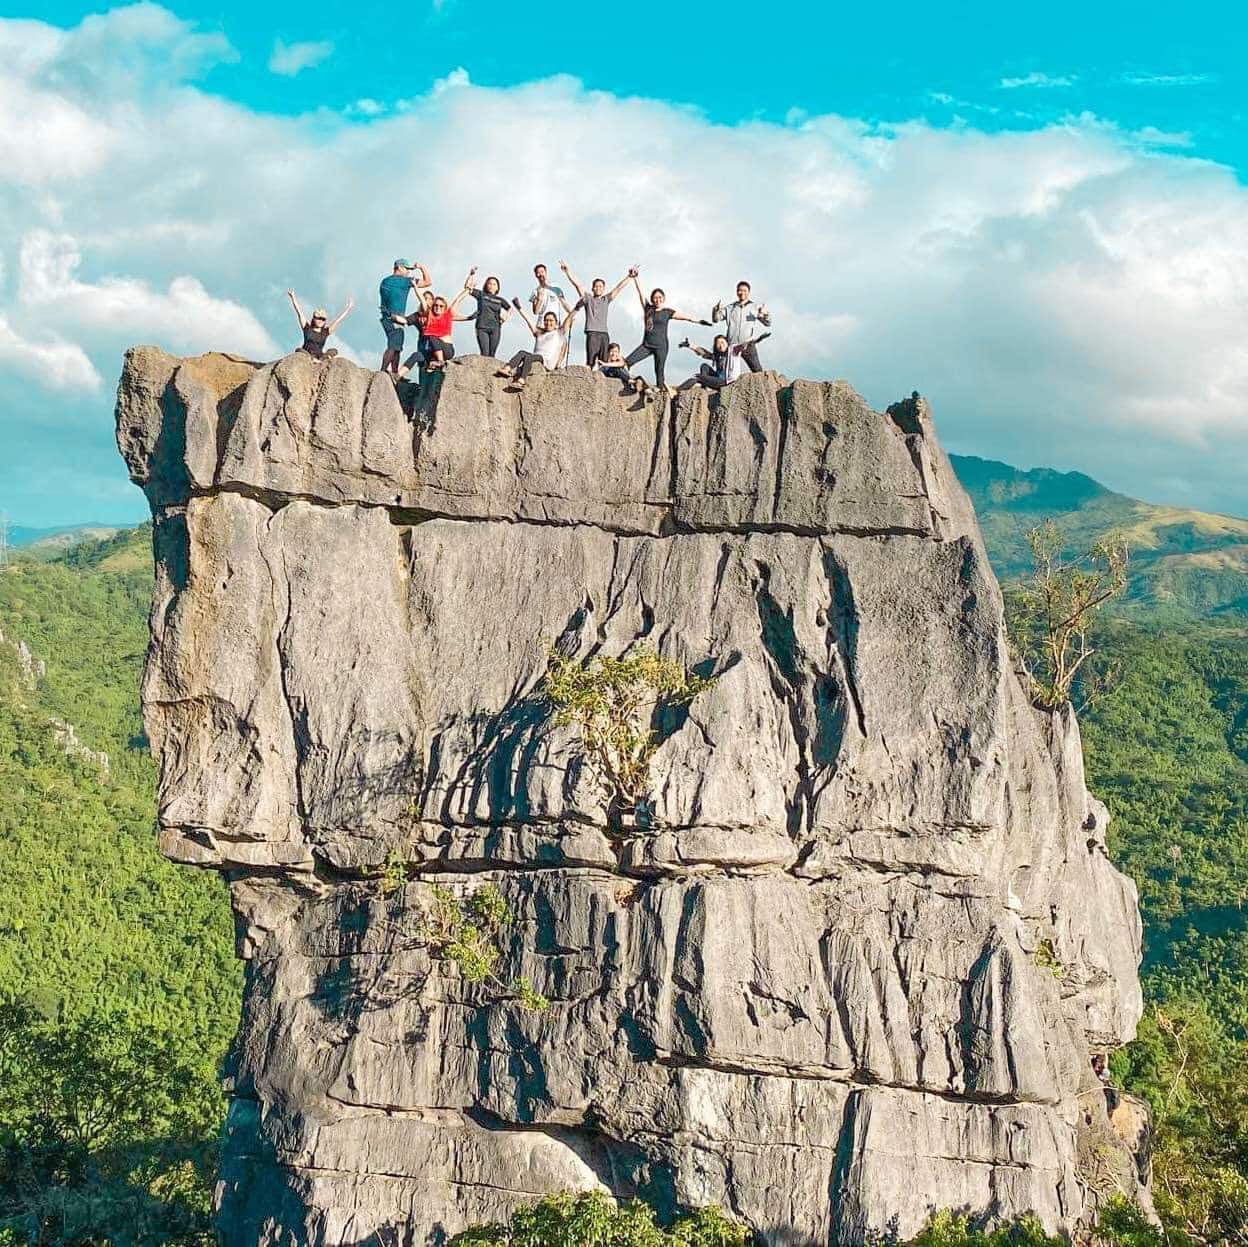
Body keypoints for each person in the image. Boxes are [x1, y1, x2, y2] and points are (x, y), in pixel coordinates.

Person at [624, 276, 710, 394]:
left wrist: (700, 321)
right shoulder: (648, 309)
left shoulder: (667, 312)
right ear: (652, 299)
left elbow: (686, 317)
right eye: (655, 297)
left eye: (660, 297)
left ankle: (657, 393)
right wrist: (636, 278)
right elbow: (640, 293)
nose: (657, 299)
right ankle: (633, 381)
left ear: (663, 298)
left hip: (661, 346)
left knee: (659, 374)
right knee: (628, 361)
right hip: (647, 345)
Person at [559, 261, 636, 366]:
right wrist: (567, 271)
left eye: (601, 286)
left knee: (603, 362)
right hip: (592, 333)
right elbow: (578, 285)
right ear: (593, 288)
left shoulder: (606, 299)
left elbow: (618, 288)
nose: (598, 288)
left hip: (604, 334)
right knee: (590, 361)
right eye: (596, 286)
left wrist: (629, 276)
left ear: (603, 289)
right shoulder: (588, 299)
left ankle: (603, 380)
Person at [498, 302, 577, 390]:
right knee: (522, 353)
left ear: (556, 322)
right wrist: (519, 308)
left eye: (551, 320)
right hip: (535, 358)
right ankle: (507, 368)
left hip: (547, 361)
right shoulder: (539, 333)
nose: (548, 322)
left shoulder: (558, 333)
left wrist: (577, 307)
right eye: (546, 320)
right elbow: (528, 320)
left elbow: (569, 319)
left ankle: (521, 381)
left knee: (529, 357)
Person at [379, 259, 431, 375]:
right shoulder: (404, 281)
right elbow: (428, 282)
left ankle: (394, 373)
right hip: (396, 318)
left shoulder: (384, 281)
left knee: (397, 346)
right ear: (400, 267)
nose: (409, 272)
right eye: (407, 269)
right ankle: (383, 372)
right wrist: (421, 267)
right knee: (393, 346)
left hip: (385, 317)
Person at [675, 331, 771, 391]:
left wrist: (758, 339)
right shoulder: (718, 356)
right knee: (704, 366)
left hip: (727, 382)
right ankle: (704, 389)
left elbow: (744, 345)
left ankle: (677, 391)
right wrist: (690, 345)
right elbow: (704, 353)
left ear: (727, 342)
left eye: (722, 342)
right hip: (718, 379)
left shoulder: (733, 350)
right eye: (718, 344)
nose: (720, 345)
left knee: (697, 377)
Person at [712, 281, 771, 372]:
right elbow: (716, 319)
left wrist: (766, 315)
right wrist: (716, 309)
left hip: (747, 344)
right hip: (732, 345)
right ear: (736, 292)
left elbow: (767, 323)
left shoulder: (754, 307)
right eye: (739, 290)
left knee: (757, 371)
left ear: (748, 292)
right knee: (727, 372)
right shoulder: (730, 308)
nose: (742, 292)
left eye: (744, 290)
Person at [459, 268, 511, 357]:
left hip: (495, 328)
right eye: (489, 283)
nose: (491, 285)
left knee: (492, 355)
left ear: (497, 287)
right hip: (482, 327)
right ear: (486, 285)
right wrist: (471, 275)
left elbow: (510, 308)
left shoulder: (500, 300)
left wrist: (504, 318)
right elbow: (467, 287)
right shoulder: (481, 294)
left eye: (494, 284)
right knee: (485, 354)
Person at [287, 291, 353, 359]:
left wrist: (348, 308)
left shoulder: (325, 332)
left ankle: (322, 359)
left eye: (323, 319)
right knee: (298, 350)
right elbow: (299, 313)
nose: (320, 321)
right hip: (306, 354)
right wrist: (293, 297)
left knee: (334, 351)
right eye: (318, 318)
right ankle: (314, 359)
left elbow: (338, 320)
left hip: (319, 356)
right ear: (314, 319)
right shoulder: (307, 328)